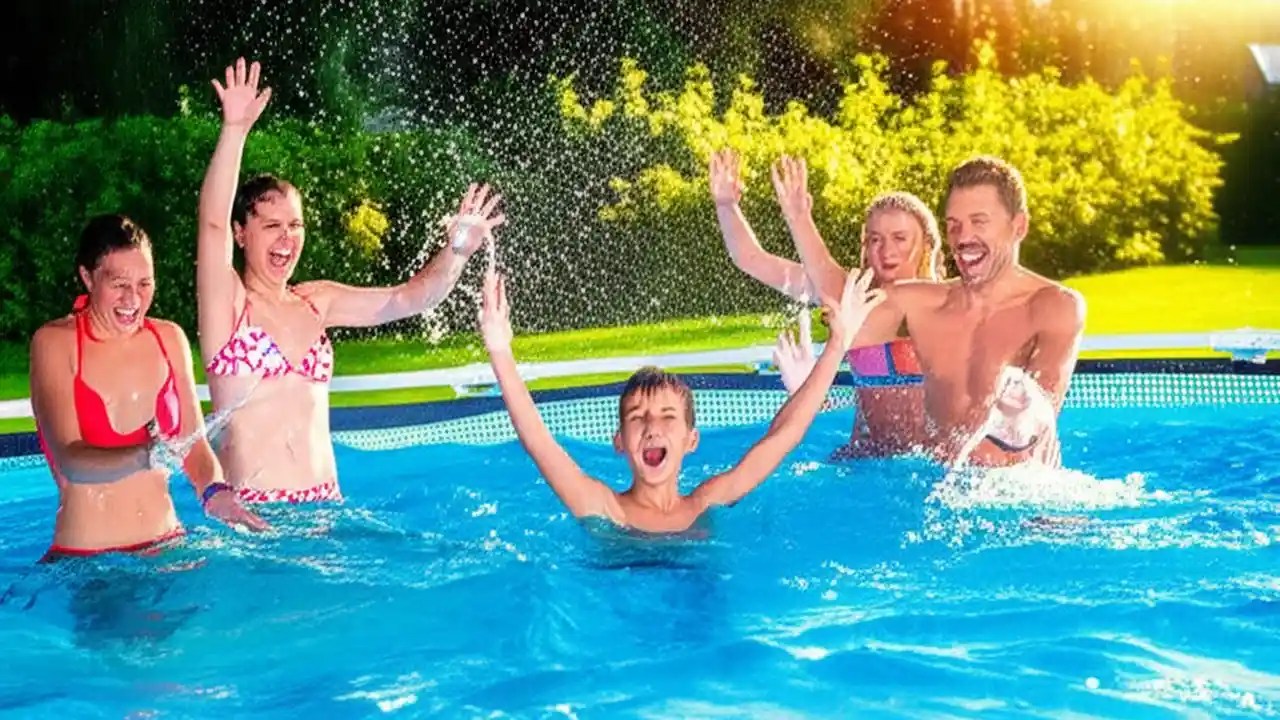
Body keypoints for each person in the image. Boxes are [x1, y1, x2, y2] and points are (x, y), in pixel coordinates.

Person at [195, 58, 505, 504]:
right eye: (271, 226)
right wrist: (235, 130)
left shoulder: (317, 302)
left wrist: (458, 250)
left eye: (295, 225)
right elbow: (210, 225)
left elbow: (412, 297)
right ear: (241, 234)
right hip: (258, 520)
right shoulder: (228, 305)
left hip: (326, 514)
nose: (287, 238)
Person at [477, 264, 885, 534]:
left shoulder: (707, 503)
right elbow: (537, 441)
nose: (652, 426)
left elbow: (785, 435)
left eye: (668, 416)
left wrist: (838, 345)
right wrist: (499, 348)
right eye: (637, 417)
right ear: (618, 441)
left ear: (692, 439)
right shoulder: (603, 508)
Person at [789, 155, 1086, 468]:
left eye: (978, 222)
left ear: (1019, 226)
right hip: (934, 482)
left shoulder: (1054, 307)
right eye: (954, 226)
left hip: (1017, 491)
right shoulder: (921, 303)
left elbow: (1037, 424)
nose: (963, 238)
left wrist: (1010, 421)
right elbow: (845, 303)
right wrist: (798, 218)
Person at [28, 215, 266, 559]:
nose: (133, 299)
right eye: (119, 284)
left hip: (168, 548)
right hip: (90, 561)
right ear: (87, 277)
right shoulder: (55, 344)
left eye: (144, 283)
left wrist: (214, 491)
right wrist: (145, 455)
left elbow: (194, 444)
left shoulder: (168, 338)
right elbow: (71, 461)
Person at [710, 149, 944, 457]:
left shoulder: (942, 304)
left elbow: (836, 293)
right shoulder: (854, 292)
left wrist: (799, 218)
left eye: (900, 238)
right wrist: (726, 206)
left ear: (926, 246)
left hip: (926, 466)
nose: (886, 250)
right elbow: (752, 260)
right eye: (875, 239)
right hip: (863, 461)